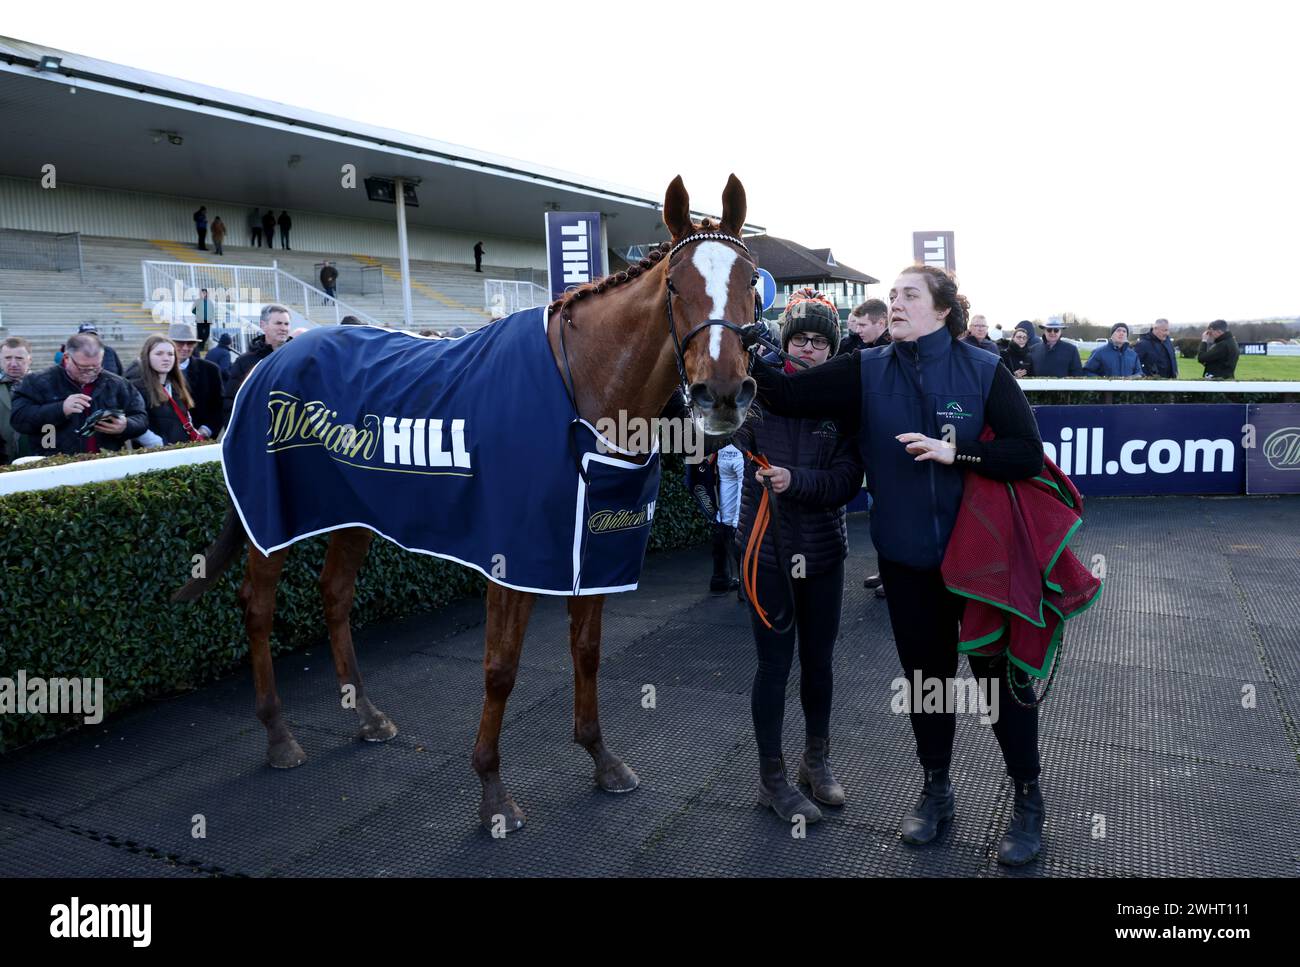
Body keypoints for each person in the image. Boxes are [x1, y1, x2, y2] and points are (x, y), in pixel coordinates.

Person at [748, 264, 1049, 865]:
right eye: (892, 295)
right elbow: (785, 393)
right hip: (906, 563)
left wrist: (956, 453)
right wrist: (731, 333)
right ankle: (936, 791)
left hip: (979, 563)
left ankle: (1027, 800)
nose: (896, 302)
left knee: (997, 683)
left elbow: (1027, 455)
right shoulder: (865, 368)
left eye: (910, 294)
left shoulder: (983, 368)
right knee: (927, 683)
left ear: (943, 309)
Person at [733, 289, 864, 825]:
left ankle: (816, 760)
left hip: (824, 554)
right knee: (773, 666)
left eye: (819, 342)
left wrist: (797, 481)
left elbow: (848, 480)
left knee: (819, 663)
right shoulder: (756, 392)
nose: (808, 348)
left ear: (832, 349)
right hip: (765, 556)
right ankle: (772, 779)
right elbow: (713, 429)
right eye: (799, 339)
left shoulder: (843, 401)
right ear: (784, 342)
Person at [10, 331, 147, 456]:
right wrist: (60, 409)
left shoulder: (117, 384)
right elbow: (18, 420)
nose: (90, 373)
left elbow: (141, 417)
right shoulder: (37, 381)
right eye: (83, 368)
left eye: (96, 367)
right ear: (66, 358)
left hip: (105, 461)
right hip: (54, 462)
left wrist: (126, 425)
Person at [127, 335, 204, 447]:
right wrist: (157, 443)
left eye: (170, 354)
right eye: (159, 354)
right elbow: (134, 423)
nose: (166, 358)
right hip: (156, 453)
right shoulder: (136, 387)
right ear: (147, 356)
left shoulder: (177, 385)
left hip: (181, 450)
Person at [222, 304, 292, 427]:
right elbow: (231, 401)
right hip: (257, 430)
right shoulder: (244, 362)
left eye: (286, 324)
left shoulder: (299, 359)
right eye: (278, 323)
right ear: (263, 325)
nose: (283, 328)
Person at [1, 336, 34, 463]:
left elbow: (52, 425)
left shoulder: (46, 386)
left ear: (29, 360)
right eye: (8, 358)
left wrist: (49, 452)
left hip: (36, 459)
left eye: (19, 358)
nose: (13, 364)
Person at [191, 288, 214, 352]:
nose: (203, 294)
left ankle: (202, 345)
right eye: (201, 293)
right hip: (200, 320)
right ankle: (200, 347)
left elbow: (212, 311)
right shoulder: (197, 301)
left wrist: (211, 319)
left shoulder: (209, 302)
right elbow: (193, 310)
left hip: (207, 321)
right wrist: (199, 313)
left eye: (204, 293)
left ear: (206, 293)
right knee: (200, 334)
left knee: (207, 334)